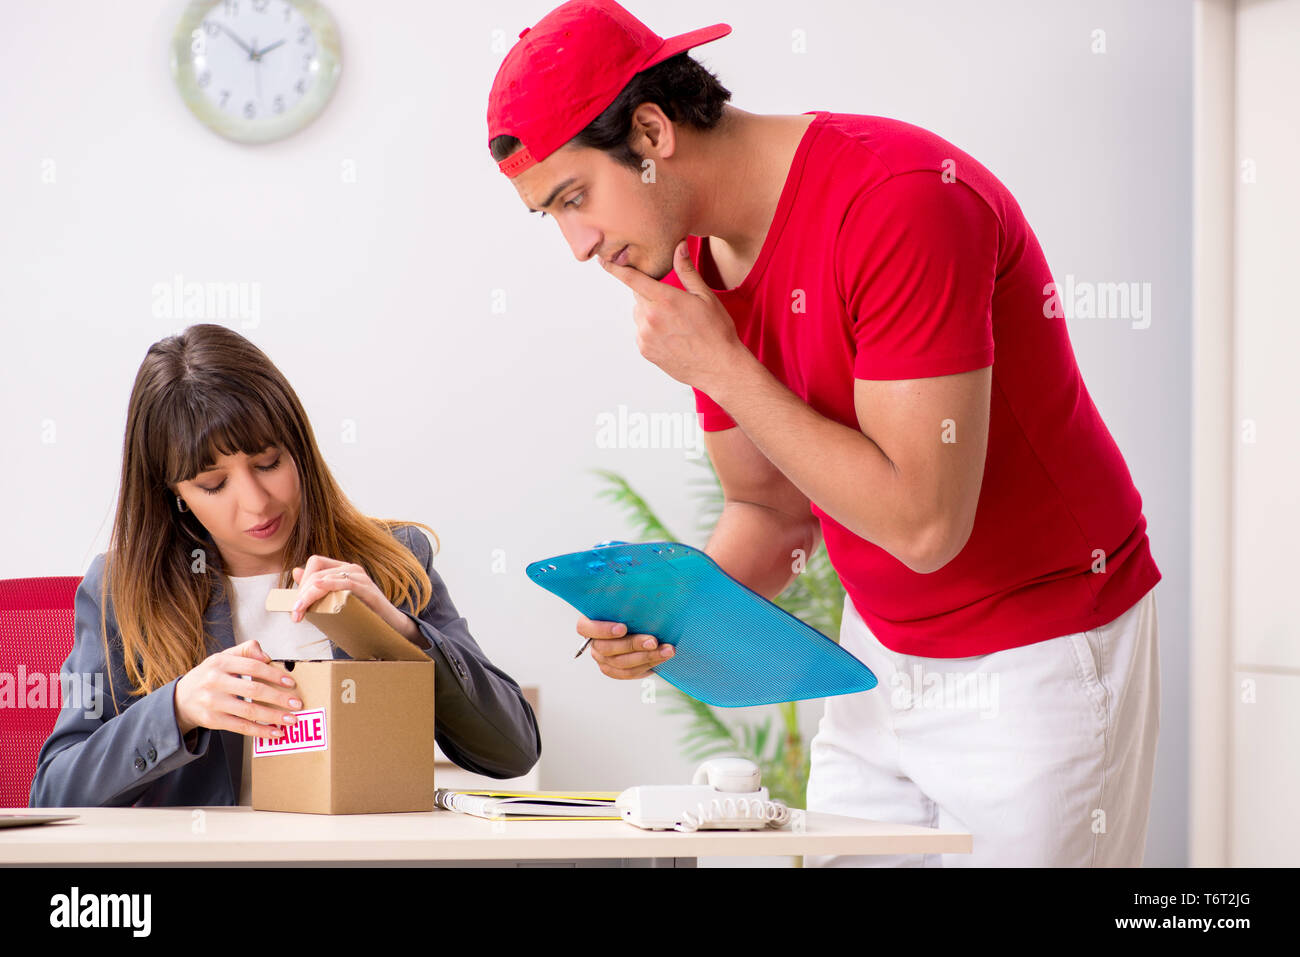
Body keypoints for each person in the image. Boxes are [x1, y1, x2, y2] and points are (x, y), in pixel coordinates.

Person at [485, 0, 1161, 866]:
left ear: (651, 131)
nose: (578, 245)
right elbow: (770, 514)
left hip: (1037, 656)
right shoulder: (695, 258)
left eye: (576, 197)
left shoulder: (898, 201)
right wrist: (667, 619)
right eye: (552, 215)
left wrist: (722, 366)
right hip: (878, 658)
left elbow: (924, 525)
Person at [29, 323, 540, 808]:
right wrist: (179, 706)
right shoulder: (124, 589)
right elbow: (54, 790)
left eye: (268, 463)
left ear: (299, 447)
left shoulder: (389, 562)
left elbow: (513, 751)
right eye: (213, 484)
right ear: (174, 494)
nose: (256, 502)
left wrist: (398, 629)